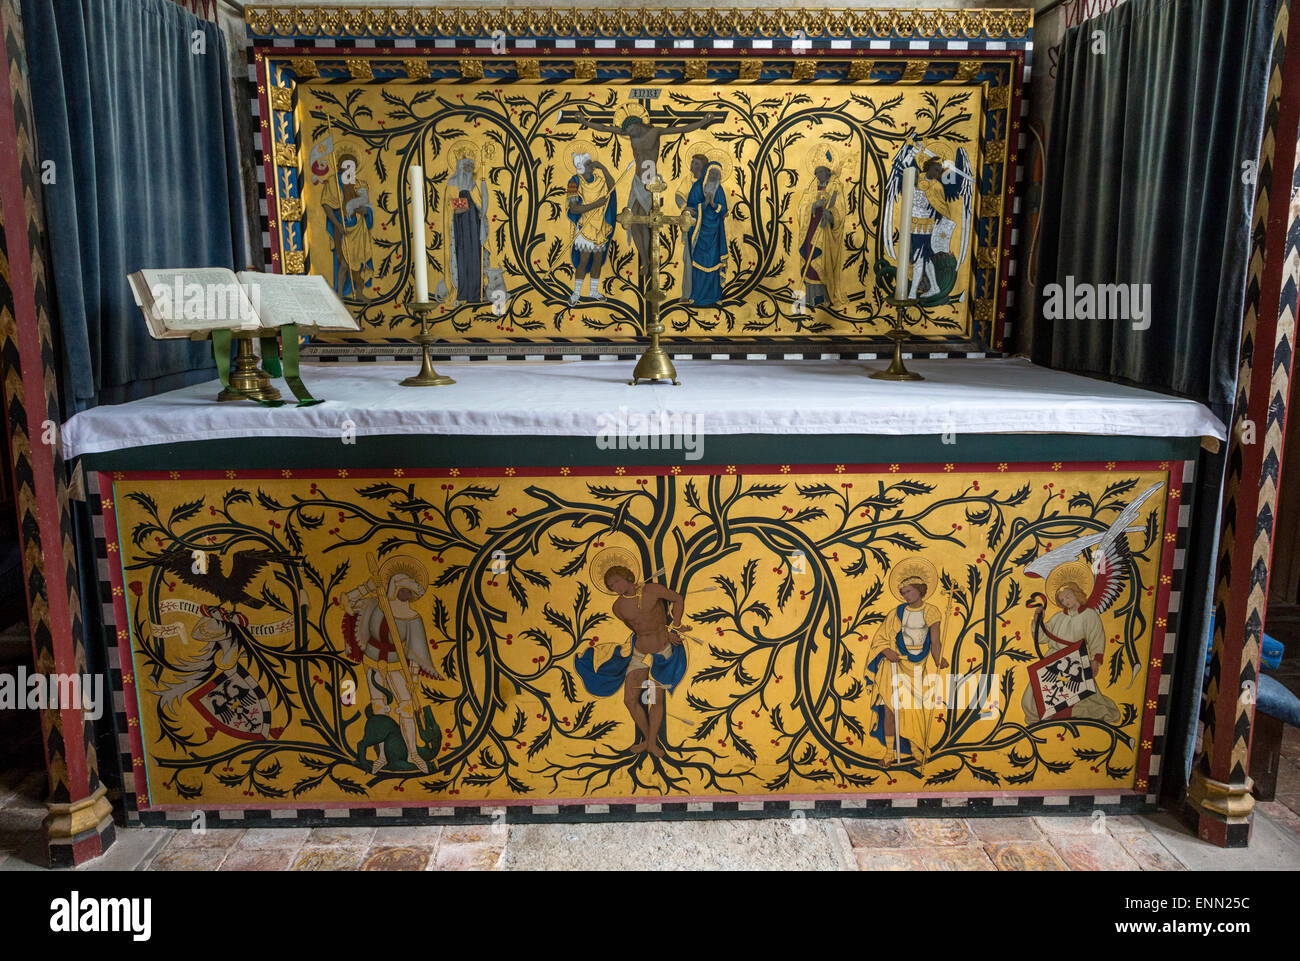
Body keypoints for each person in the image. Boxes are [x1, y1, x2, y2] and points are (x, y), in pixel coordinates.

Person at [575, 103, 724, 293]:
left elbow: (682, 129)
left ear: (638, 125)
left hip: (651, 180)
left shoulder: (654, 132)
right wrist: (584, 122)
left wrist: (703, 121)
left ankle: (652, 260)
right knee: (635, 220)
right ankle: (645, 259)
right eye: (628, 132)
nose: (630, 134)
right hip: (638, 180)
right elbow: (606, 128)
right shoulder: (630, 133)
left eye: (632, 130)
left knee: (649, 222)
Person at [575, 553, 688, 756]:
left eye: (617, 581)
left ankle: (651, 743)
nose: (616, 588)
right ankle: (648, 739)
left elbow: (677, 599)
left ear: (626, 576)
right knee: (630, 699)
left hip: (661, 652)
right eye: (611, 586)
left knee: (655, 698)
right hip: (639, 653)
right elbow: (635, 628)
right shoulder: (618, 607)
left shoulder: (652, 590)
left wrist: (675, 627)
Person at [342, 555, 443, 773]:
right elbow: (347, 602)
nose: (409, 596)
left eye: (412, 593)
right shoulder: (375, 604)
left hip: (398, 667)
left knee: (406, 706)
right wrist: (368, 586)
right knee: (379, 709)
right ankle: (381, 757)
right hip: (372, 663)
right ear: (395, 588)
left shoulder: (413, 617)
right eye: (405, 590)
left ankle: (413, 753)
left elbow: (416, 652)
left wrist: (414, 680)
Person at [862, 559, 949, 767]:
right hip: (892, 666)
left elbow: (935, 641)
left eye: (908, 591)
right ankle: (890, 753)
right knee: (890, 711)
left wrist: (939, 659)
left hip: (916, 668)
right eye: (902, 592)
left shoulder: (931, 612)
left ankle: (917, 748)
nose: (905, 595)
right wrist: (887, 651)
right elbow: (880, 638)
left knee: (912, 710)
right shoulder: (896, 613)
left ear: (919, 590)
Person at [1022, 578, 1122, 724]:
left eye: (1068, 596)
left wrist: (1095, 661)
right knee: (1034, 694)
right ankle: (1043, 721)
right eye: (1062, 600)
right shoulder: (1058, 617)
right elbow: (1043, 637)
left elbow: (1096, 636)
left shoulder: (1089, 615)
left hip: (1076, 660)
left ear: (1076, 594)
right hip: (1053, 660)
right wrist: (1038, 620)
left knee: (1082, 696)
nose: (1066, 601)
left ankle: (1082, 718)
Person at [565, 142, 618, 305]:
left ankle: (593, 290)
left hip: (600, 226)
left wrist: (603, 167)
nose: (592, 166)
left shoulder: (599, 179)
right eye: (589, 164)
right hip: (586, 227)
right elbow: (573, 209)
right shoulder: (574, 182)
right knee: (583, 260)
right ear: (581, 166)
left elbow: (612, 186)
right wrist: (595, 204)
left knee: (597, 260)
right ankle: (576, 294)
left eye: (592, 163)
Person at [683, 158, 728, 306]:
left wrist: (714, 205)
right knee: (698, 264)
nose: (714, 176)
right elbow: (690, 209)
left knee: (714, 264)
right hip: (699, 234)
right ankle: (696, 296)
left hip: (715, 234)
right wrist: (703, 205)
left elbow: (725, 210)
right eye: (712, 173)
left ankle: (715, 297)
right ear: (707, 173)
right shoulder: (696, 188)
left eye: (717, 174)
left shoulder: (719, 190)